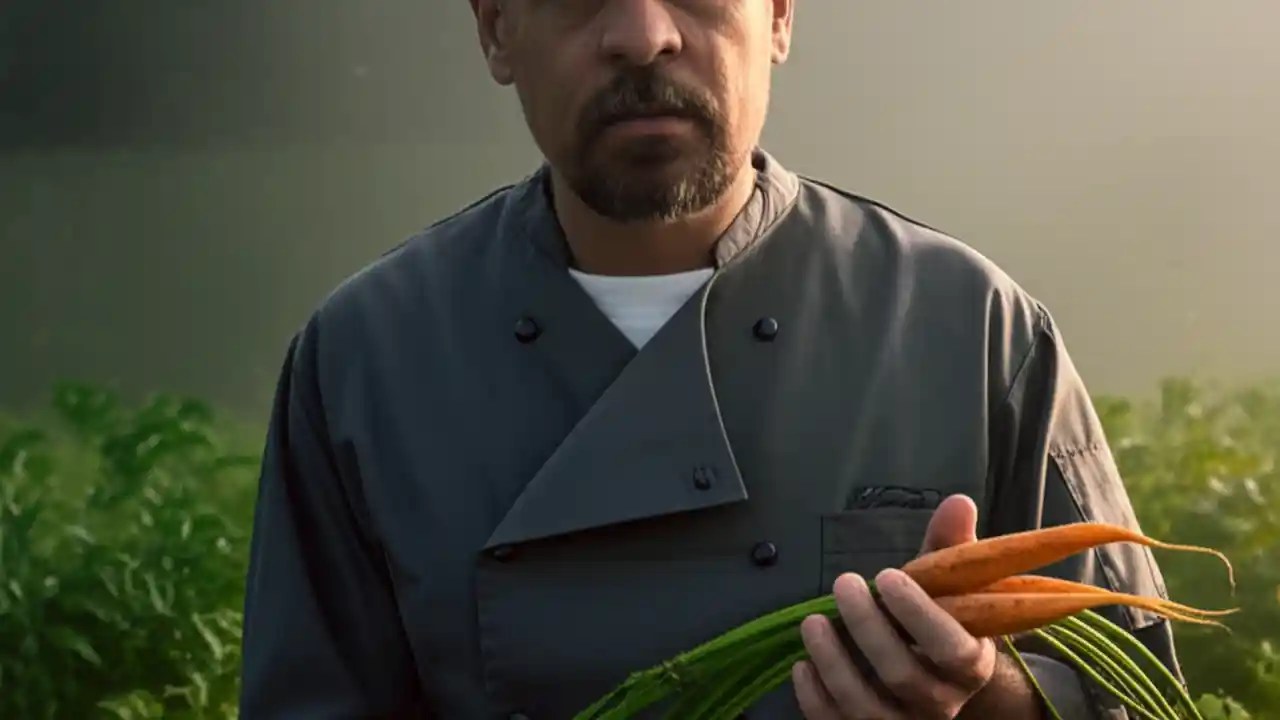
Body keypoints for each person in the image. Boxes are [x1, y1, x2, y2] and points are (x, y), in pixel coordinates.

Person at [238, 1, 1183, 718]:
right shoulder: (366, 357)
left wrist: (989, 696)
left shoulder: (971, 326)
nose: (643, 34)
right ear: (494, 32)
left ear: (777, 14)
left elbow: (1140, 687)